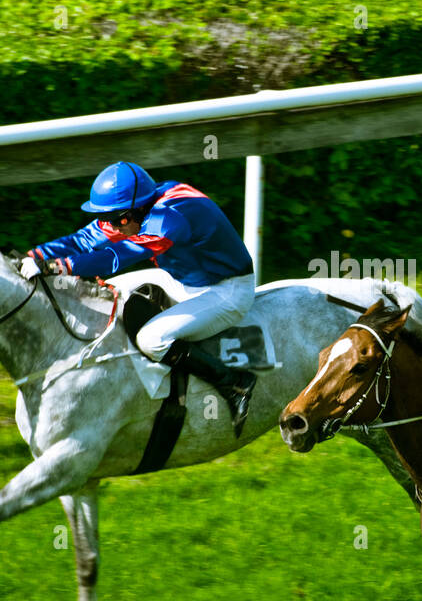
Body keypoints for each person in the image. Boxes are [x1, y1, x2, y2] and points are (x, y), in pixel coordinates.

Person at [21, 160, 258, 437]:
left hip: (226, 292)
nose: (111, 226)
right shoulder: (135, 210)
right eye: (107, 218)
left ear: (134, 211)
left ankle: (234, 383)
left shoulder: (170, 217)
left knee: (152, 340)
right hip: (181, 280)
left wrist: (56, 267)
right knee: (109, 291)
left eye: (116, 220)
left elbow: (116, 257)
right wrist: (35, 256)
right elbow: (83, 240)